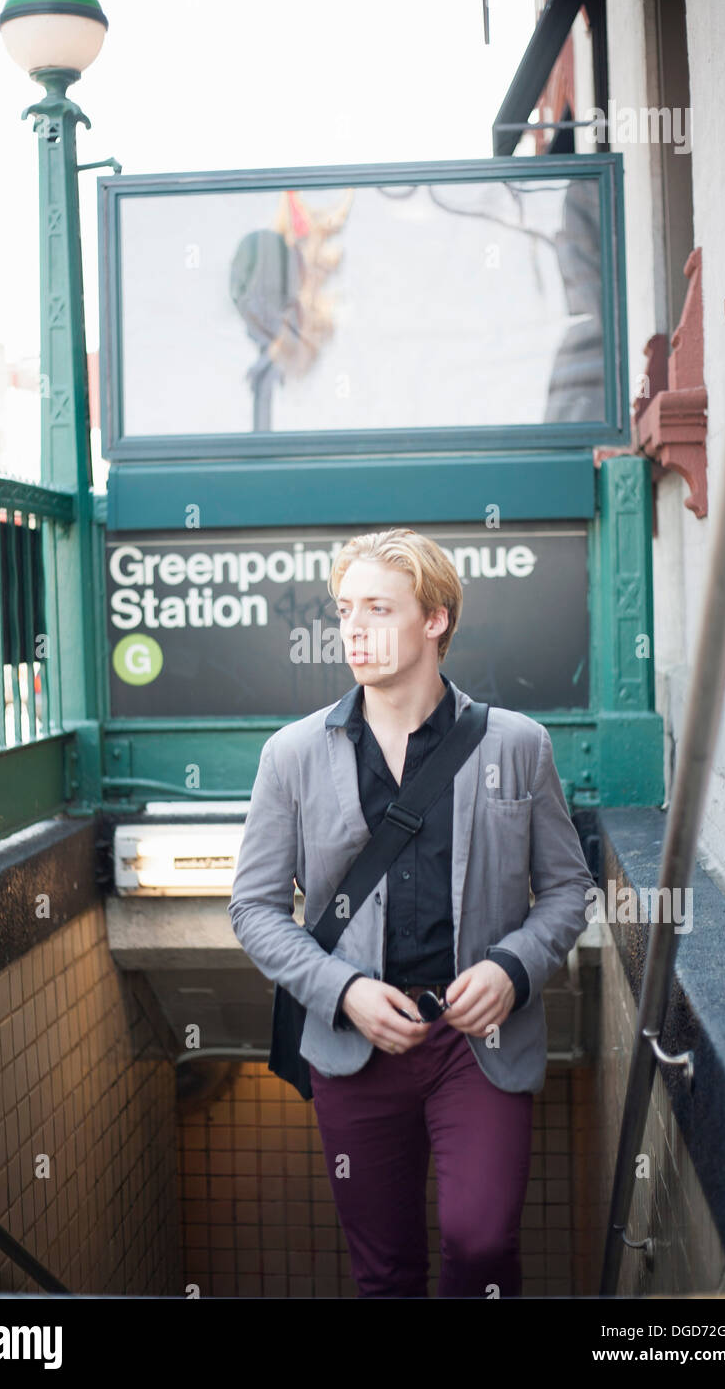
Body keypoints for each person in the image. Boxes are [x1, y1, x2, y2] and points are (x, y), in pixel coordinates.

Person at [228, 527, 593, 1298]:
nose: (353, 629)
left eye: (379, 609)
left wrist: (513, 968)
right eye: (343, 610)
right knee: (385, 1272)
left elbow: (568, 889)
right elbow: (255, 910)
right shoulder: (290, 755)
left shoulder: (519, 745)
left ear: (435, 619)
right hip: (356, 1046)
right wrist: (343, 992)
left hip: (478, 1042)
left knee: (483, 1242)